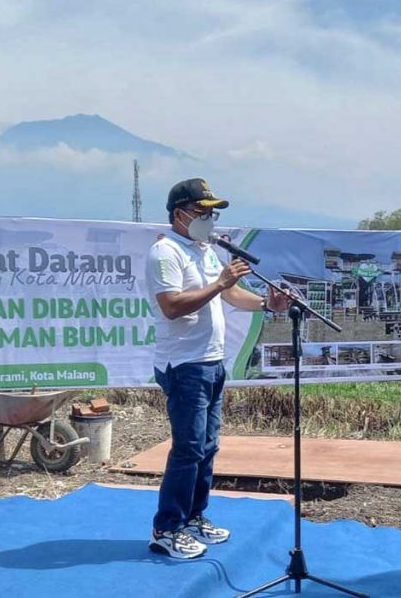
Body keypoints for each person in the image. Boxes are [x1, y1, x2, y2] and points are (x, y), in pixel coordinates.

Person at [146, 178, 291, 560]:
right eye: (201, 212)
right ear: (180, 214)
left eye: (212, 213)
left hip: (212, 361)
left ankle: (194, 517)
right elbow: (172, 305)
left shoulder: (205, 250)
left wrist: (267, 304)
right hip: (184, 365)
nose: (209, 219)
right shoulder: (165, 253)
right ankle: (167, 527)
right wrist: (220, 282)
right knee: (188, 448)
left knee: (207, 447)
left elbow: (230, 293)